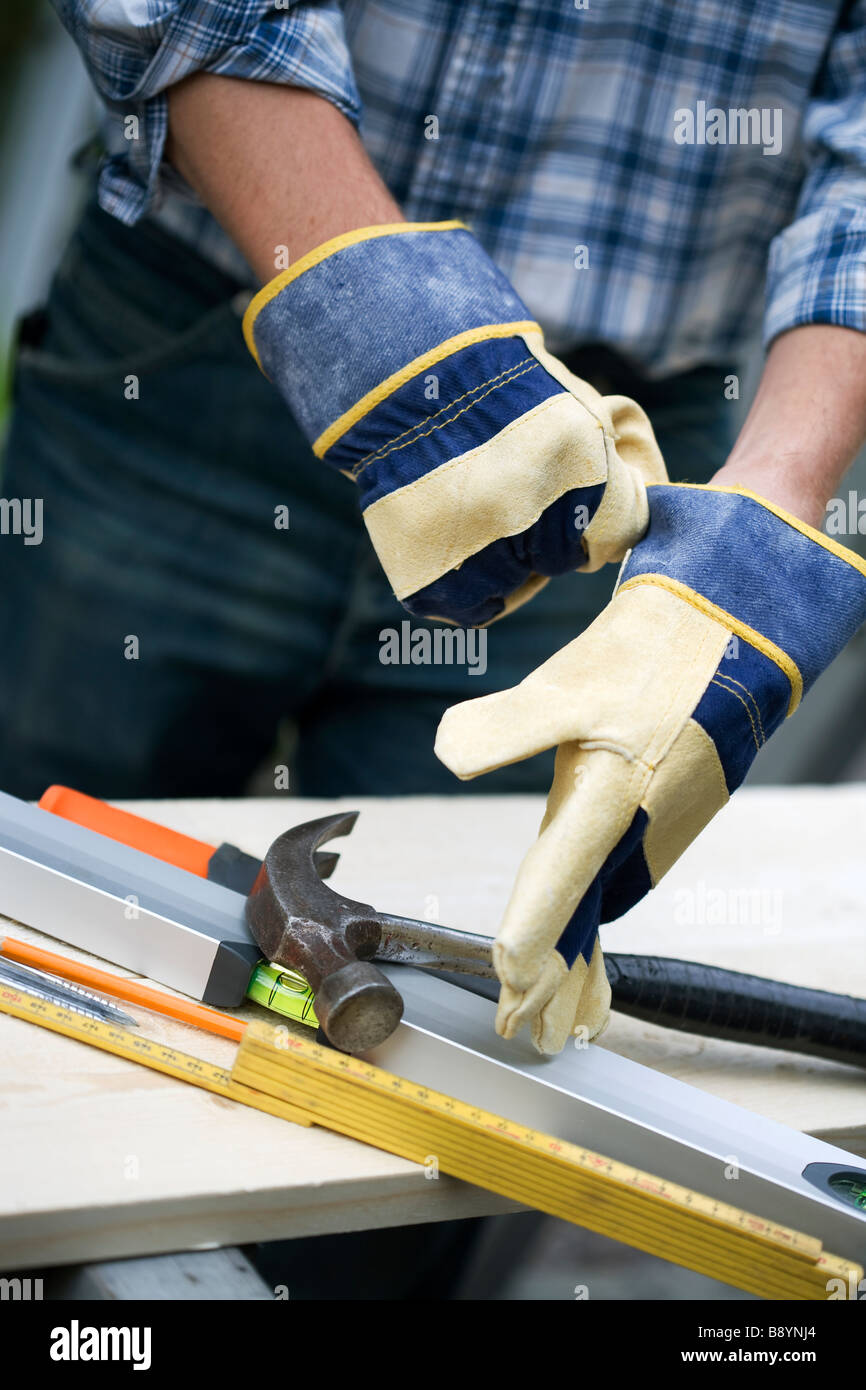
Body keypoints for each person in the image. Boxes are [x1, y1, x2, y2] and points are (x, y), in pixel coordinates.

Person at [4, 1, 866, 1060]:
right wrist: (370, 307)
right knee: (33, 868)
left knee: (462, 1036)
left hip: (604, 492)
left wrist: (771, 503)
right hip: (202, 341)